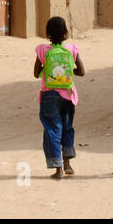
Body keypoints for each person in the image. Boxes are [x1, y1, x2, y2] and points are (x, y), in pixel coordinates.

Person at [33, 16, 84, 179]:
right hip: (68, 95)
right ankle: (67, 163)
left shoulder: (42, 50)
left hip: (49, 95)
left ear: (48, 33)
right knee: (67, 127)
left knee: (53, 129)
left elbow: (35, 74)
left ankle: (58, 169)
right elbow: (82, 71)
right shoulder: (71, 49)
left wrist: (47, 69)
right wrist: (67, 71)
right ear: (65, 32)